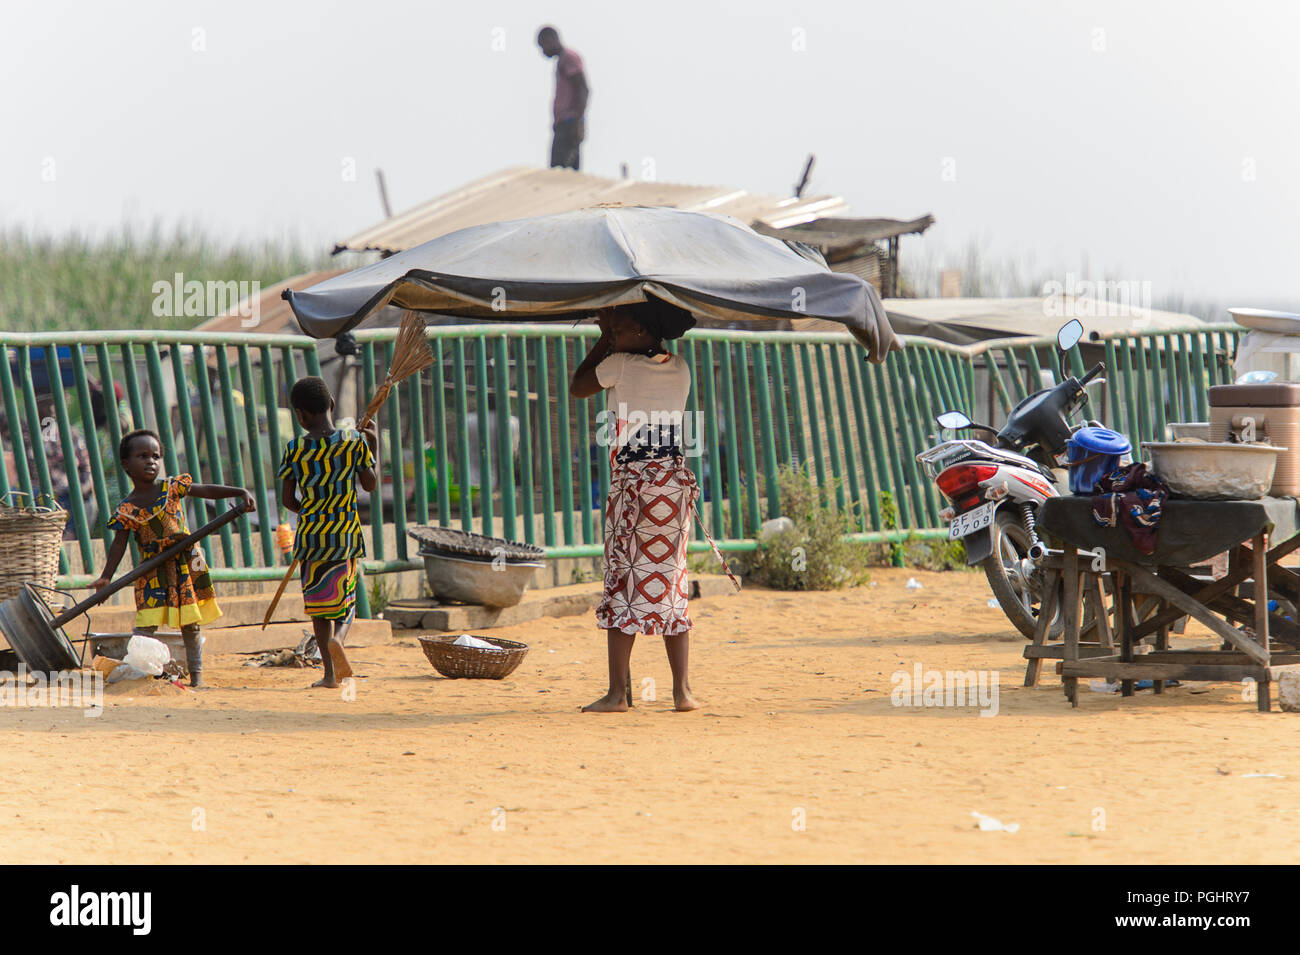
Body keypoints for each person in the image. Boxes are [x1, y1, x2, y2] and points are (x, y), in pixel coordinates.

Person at [570, 297, 731, 713]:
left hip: (635, 488)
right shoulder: (680, 366)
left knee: (623, 580)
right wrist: (613, 330)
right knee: (671, 580)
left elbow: (578, 386)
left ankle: (617, 694)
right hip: (674, 489)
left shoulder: (620, 364)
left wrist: (602, 339)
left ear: (640, 332)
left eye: (619, 330)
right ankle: (683, 693)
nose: (614, 337)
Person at [93, 429, 254, 688]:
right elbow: (119, 543)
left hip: (184, 563)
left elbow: (206, 490)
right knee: (146, 623)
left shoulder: (172, 488)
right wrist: (105, 577)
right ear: (126, 464)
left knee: (190, 623)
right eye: (142, 456)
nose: (151, 461)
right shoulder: (126, 509)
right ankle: (134, 674)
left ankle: (197, 678)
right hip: (151, 570)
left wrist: (238, 491)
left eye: (155, 456)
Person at [277, 376, 378, 689]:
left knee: (319, 606)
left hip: (311, 538)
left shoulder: (294, 448)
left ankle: (330, 676)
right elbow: (370, 484)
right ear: (331, 405)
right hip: (344, 536)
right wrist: (373, 446)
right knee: (345, 601)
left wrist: (310, 511)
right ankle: (340, 639)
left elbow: (287, 500)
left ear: (299, 415)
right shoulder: (352, 443)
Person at [537, 25, 588, 170]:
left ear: (552, 39)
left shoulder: (568, 58)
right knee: (564, 172)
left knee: (560, 174)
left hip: (569, 124)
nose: (544, 51)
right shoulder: (563, 60)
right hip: (564, 124)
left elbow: (582, 88)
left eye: (543, 46)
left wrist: (578, 122)